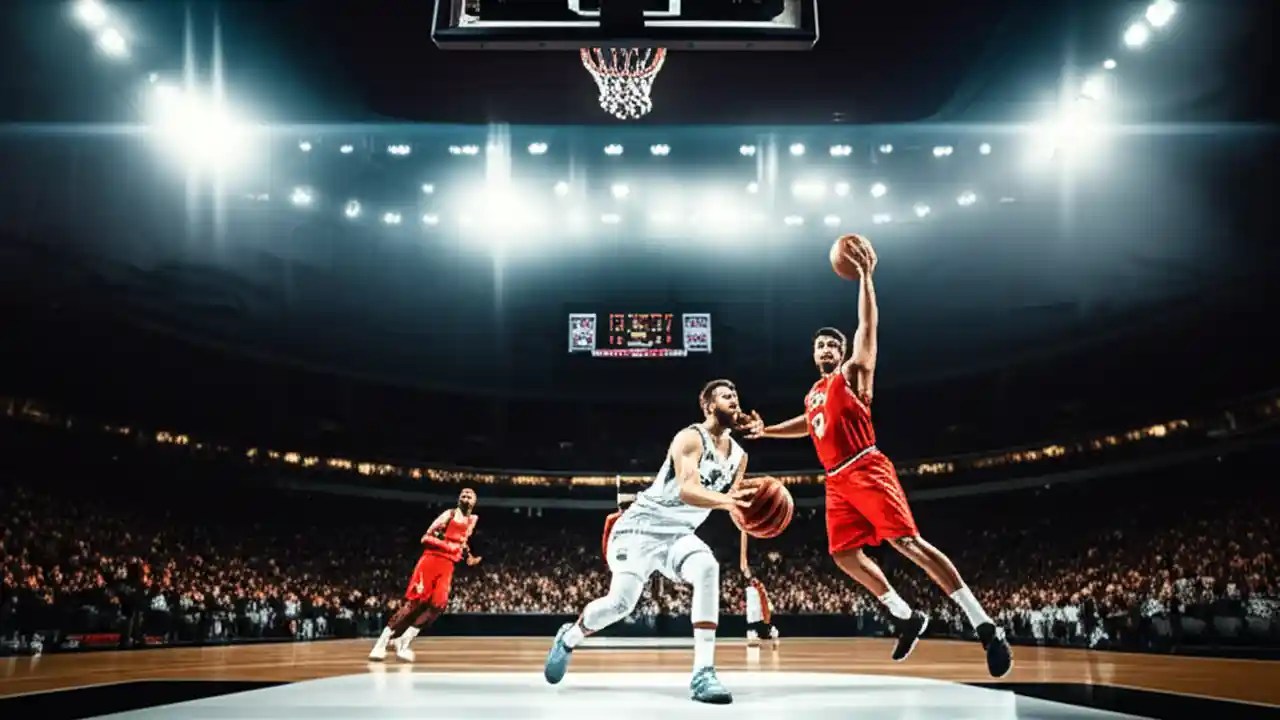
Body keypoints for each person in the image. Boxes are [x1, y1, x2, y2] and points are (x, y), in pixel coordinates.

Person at [743, 234, 1013, 677]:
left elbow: (867, 330)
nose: (826, 350)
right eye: (820, 346)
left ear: (843, 352)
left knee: (907, 543)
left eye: (832, 345)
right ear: (813, 356)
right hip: (835, 479)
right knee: (844, 556)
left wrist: (865, 279)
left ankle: (986, 627)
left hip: (866, 467)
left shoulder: (853, 374)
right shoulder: (813, 393)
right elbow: (807, 424)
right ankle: (906, 616)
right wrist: (767, 430)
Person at [544, 380, 757, 704]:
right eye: (727, 396)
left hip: (679, 534)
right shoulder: (690, 437)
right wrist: (729, 502)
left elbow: (735, 507)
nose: (735, 401)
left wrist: (748, 523)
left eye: (736, 396)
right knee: (621, 603)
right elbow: (689, 489)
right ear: (709, 406)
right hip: (640, 529)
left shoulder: (740, 457)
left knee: (708, 568)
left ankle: (703, 673)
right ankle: (569, 638)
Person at [369, 488, 482, 662]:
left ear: (475, 501)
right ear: (458, 499)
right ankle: (381, 644)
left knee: (439, 605)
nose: (466, 498)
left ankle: (403, 641)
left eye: (470, 496)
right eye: (463, 495)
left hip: (448, 565)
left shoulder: (472, 520)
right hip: (431, 560)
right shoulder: (449, 515)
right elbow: (426, 538)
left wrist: (469, 557)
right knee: (415, 602)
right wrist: (448, 547)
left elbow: (462, 541)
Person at [740, 531, 779, 650]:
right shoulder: (752, 571)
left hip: (758, 588)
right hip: (754, 588)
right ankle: (757, 631)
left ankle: (763, 630)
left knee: (762, 611)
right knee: (757, 612)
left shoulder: (764, 566)